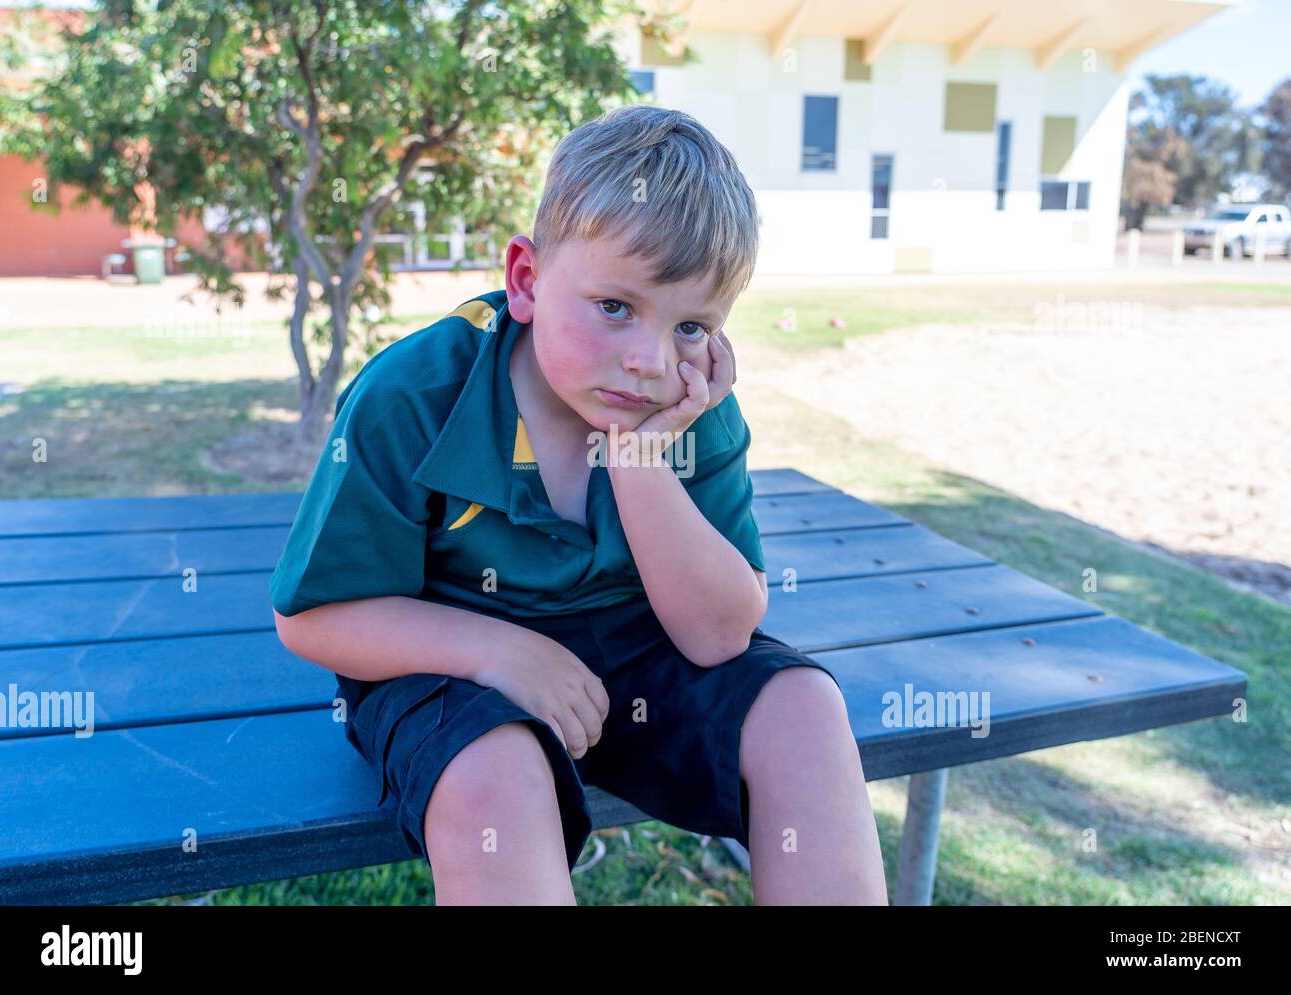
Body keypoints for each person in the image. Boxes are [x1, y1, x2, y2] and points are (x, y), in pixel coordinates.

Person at [269, 104, 888, 905]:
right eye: (615, 307)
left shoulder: (691, 408)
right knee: (493, 769)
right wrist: (503, 654)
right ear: (526, 279)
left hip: (637, 657)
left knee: (803, 707)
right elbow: (314, 616)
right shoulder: (412, 396)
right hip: (450, 662)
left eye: (692, 323)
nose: (649, 360)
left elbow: (718, 633)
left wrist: (638, 458)